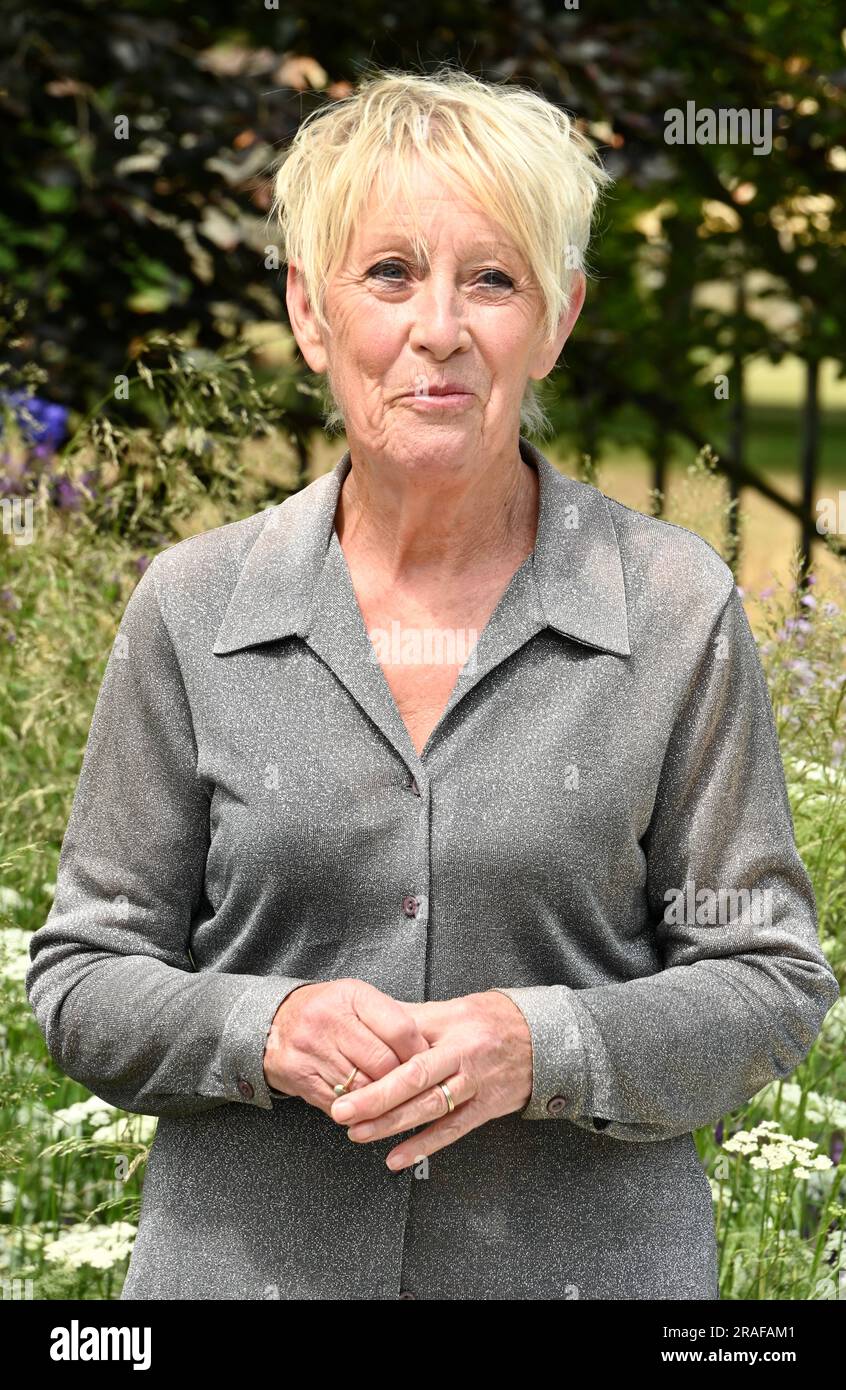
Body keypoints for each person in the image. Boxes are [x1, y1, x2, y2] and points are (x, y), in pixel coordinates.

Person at [26, 66, 839, 1300]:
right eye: (390, 273)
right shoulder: (192, 608)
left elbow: (770, 982)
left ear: (559, 315)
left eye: (493, 279)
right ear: (311, 311)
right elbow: (85, 974)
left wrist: (547, 1044)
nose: (440, 327)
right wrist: (267, 1029)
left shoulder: (677, 609)